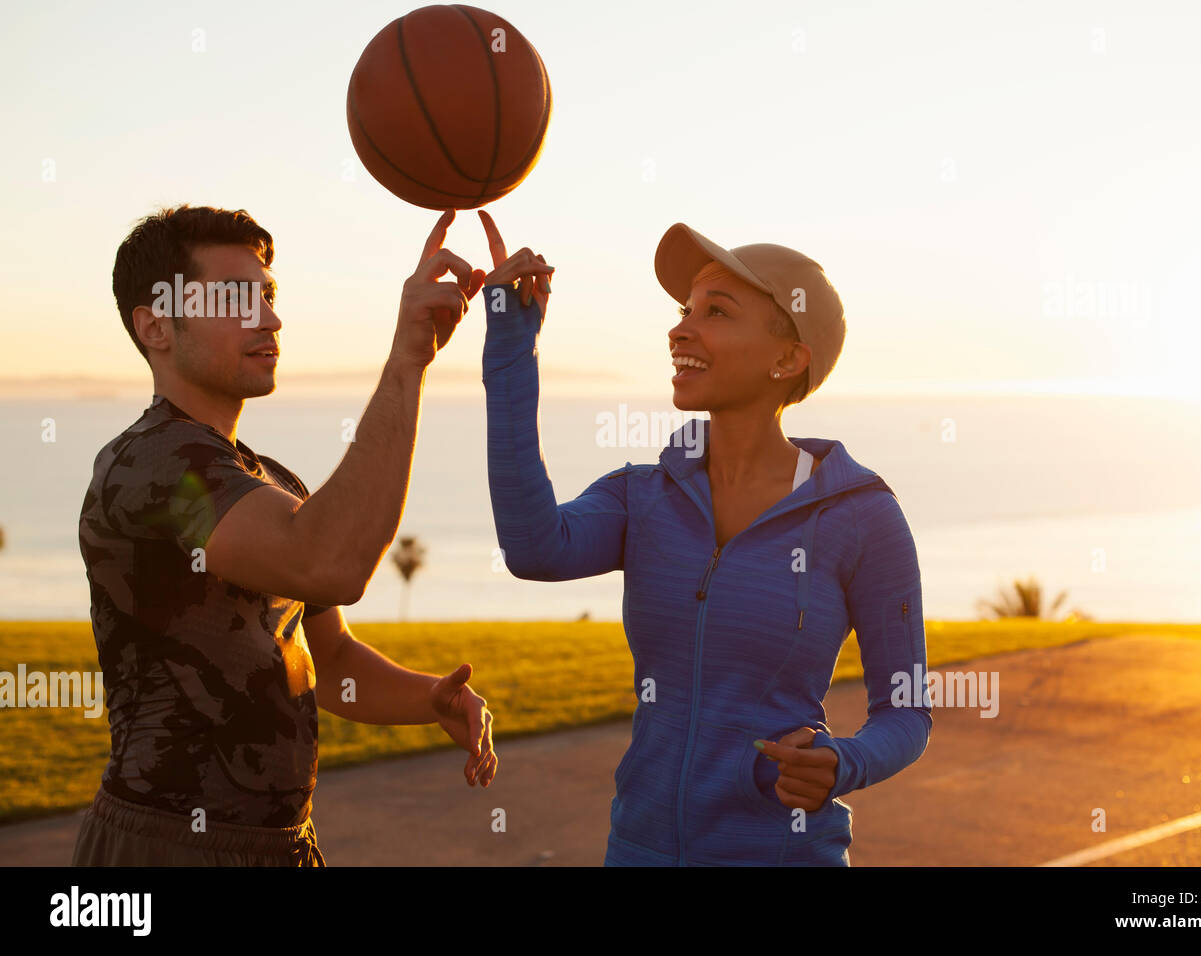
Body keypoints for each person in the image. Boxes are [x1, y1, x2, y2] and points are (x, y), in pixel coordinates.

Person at [476, 211, 931, 865]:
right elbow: (533, 547)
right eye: (686, 309)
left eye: (716, 311)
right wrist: (513, 345)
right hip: (638, 850)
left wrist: (845, 761)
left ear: (788, 357)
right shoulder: (643, 495)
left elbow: (907, 710)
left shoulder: (861, 517)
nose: (679, 327)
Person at [74, 204, 497, 866]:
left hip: (283, 847)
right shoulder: (150, 465)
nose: (269, 318)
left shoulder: (269, 481)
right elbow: (327, 562)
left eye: (269, 296)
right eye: (237, 297)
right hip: (167, 850)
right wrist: (407, 360)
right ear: (156, 324)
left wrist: (429, 697)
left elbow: (325, 660)